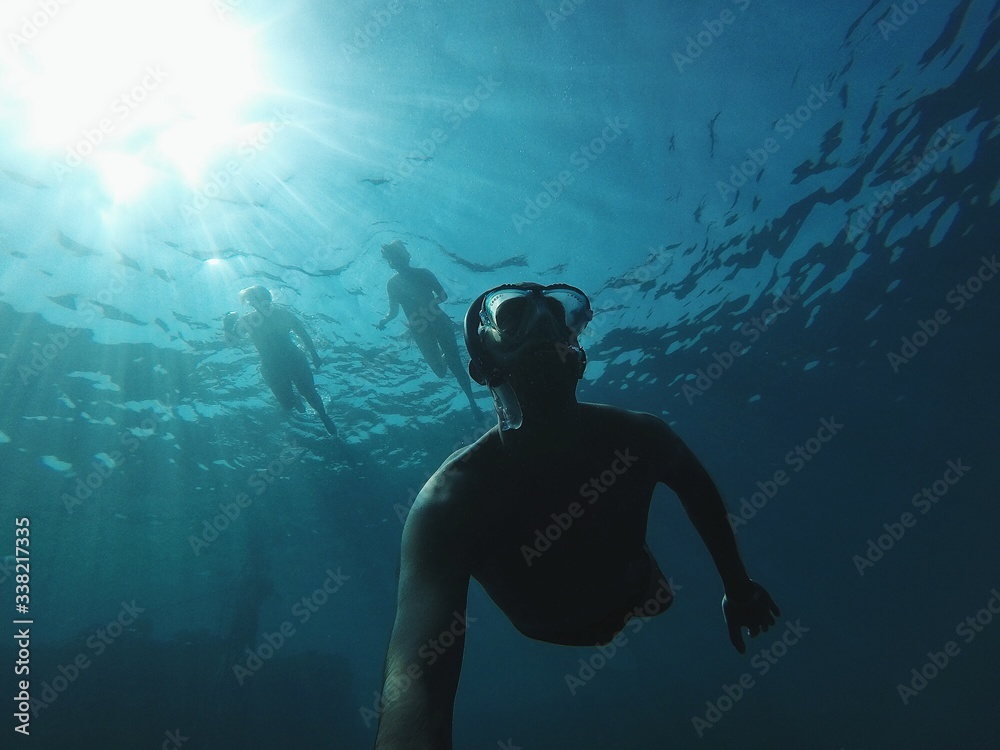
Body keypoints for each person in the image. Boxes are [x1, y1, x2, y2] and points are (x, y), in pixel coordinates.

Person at [372, 282, 779, 748]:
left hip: (631, 594)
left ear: (579, 358)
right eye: (512, 318)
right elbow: (417, 680)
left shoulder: (642, 437)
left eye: (561, 317)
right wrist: (738, 589)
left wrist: (740, 589)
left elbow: (698, 490)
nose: (545, 325)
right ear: (482, 367)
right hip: (563, 624)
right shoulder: (449, 501)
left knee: (657, 596)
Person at [376, 240, 482, 416]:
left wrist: (426, 309)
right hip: (423, 328)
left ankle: (472, 403)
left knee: (454, 366)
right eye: (397, 256)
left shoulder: (417, 276)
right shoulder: (397, 283)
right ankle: (446, 357)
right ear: (394, 261)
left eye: (400, 255)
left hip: (432, 324)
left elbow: (442, 296)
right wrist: (384, 321)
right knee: (442, 371)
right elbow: (394, 312)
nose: (400, 260)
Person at [223, 285, 339, 437]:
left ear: (267, 299)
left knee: (309, 392)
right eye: (252, 300)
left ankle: (323, 416)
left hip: (292, 360)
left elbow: (302, 333)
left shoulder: (280, 314)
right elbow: (233, 342)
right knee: (287, 404)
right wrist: (227, 326)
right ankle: (296, 400)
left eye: (257, 298)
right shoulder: (247, 321)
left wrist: (314, 354)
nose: (255, 302)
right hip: (272, 366)